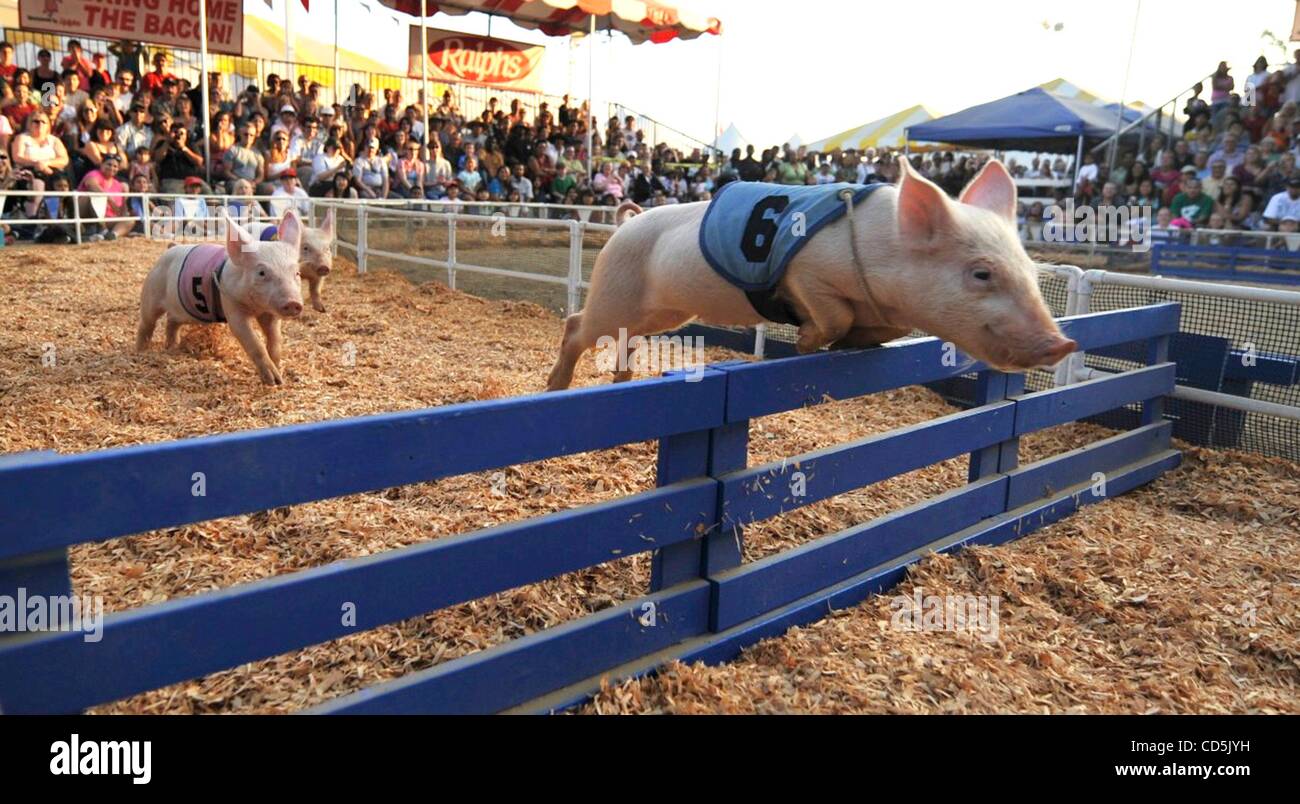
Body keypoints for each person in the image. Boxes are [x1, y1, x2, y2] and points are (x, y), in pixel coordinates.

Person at [77, 152, 133, 240]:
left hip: (109, 218)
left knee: (130, 220)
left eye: (115, 166)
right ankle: (101, 229)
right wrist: (109, 199)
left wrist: (125, 197)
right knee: (93, 196)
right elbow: (91, 185)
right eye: (109, 164)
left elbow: (122, 210)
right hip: (87, 215)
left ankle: (112, 235)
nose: (112, 168)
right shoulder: (94, 174)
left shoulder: (118, 185)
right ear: (102, 164)